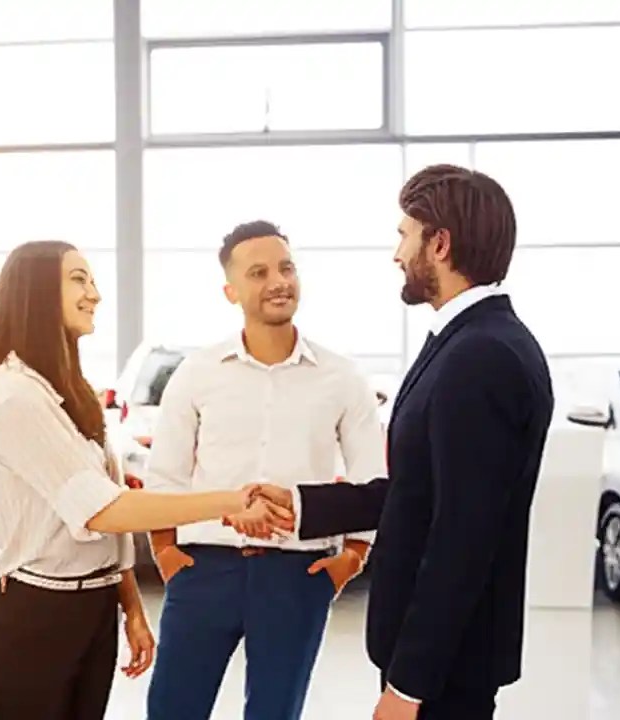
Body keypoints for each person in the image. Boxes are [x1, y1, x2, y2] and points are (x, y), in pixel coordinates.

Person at [236, 165, 555, 720]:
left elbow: (463, 536)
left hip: (444, 667)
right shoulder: (466, 342)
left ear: (440, 243)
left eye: (404, 234)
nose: (396, 253)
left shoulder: (482, 357)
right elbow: (420, 491)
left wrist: (409, 686)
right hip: (440, 657)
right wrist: (308, 504)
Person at [0, 240, 289, 720]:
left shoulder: (70, 391)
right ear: (34, 293)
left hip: (93, 607)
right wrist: (230, 502)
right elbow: (104, 509)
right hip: (35, 614)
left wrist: (130, 608)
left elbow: (106, 515)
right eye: (78, 279)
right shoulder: (14, 397)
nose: (94, 293)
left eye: (92, 280)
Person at [143, 221, 388, 720]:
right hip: (204, 569)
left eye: (286, 267)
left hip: (297, 573)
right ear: (231, 291)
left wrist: (353, 557)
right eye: (259, 272)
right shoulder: (198, 372)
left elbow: (373, 479)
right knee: (172, 710)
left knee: (277, 713)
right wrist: (165, 551)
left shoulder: (341, 377)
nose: (278, 281)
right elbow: (165, 475)